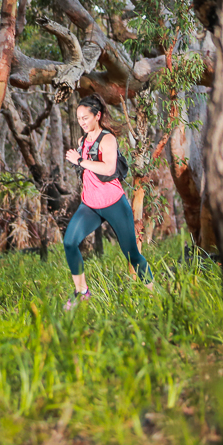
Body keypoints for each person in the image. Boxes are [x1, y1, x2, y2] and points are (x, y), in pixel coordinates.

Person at [62, 95, 152, 310]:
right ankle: (82, 292)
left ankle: (153, 296)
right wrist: (79, 161)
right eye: (79, 119)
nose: (82, 122)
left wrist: (80, 160)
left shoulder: (107, 139)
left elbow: (109, 169)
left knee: (132, 254)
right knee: (69, 243)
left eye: (85, 118)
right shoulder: (82, 141)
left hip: (114, 204)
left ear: (97, 116)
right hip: (90, 205)